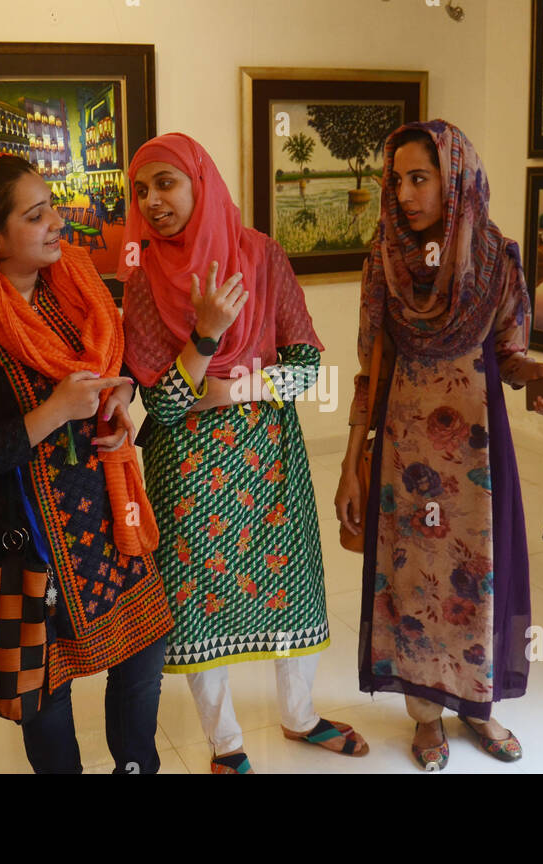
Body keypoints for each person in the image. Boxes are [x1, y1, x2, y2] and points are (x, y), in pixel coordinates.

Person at [119, 133, 367, 774]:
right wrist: (205, 337)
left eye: (166, 183)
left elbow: (307, 359)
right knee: (199, 600)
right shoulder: (144, 278)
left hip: (269, 461)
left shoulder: (259, 256)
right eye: (141, 190)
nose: (152, 201)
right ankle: (226, 744)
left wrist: (232, 388)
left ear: (202, 181)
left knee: (293, 585)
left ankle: (301, 716)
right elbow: (164, 403)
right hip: (188, 472)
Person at [0, 154, 172, 774]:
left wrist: (121, 395)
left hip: (110, 525)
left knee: (143, 653)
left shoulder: (76, 293)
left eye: (53, 206)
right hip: (25, 548)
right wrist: (55, 411)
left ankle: (137, 767)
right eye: (35, 217)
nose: (58, 223)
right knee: (44, 689)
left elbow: (119, 370)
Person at [334, 120, 543, 771]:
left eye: (421, 177)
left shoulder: (498, 258)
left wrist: (538, 379)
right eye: (398, 179)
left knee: (478, 579)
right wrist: (352, 461)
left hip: (476, 456)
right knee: (413, 586)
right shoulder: (384, 260)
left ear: (455, 177)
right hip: (406, 456)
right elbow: (369, 368)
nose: (406, 194)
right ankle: (425, 716)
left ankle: (477, 707)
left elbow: (510, 356)